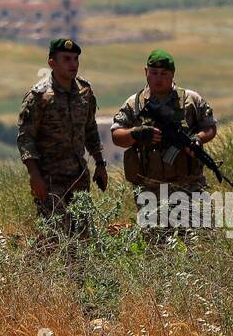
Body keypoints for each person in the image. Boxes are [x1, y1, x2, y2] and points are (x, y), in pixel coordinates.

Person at [17, 37, 108, 242]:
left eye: (76, 59)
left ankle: (77, 275)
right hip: (50, 179)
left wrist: (100, 163)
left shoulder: (84, 91)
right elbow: (26, 138)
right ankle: (36, 273)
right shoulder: (39, 96)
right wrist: (34, 176)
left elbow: (90, 129)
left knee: (82, 239)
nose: (73, 64)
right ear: (52, 63)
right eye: (66, 59)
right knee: (54, 236)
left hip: (78, 177)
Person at [111, 49, 218, 196]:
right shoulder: (135, 103)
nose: (158, 79)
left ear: (173, 73)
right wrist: (136, 134)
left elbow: (210, 127)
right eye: (154, 73)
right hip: (150, 190)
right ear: (145, 72)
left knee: (201, 219)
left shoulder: (190, 99)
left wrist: (198, 138)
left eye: (164, 73)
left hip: (190, 186)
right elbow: (116, 135)